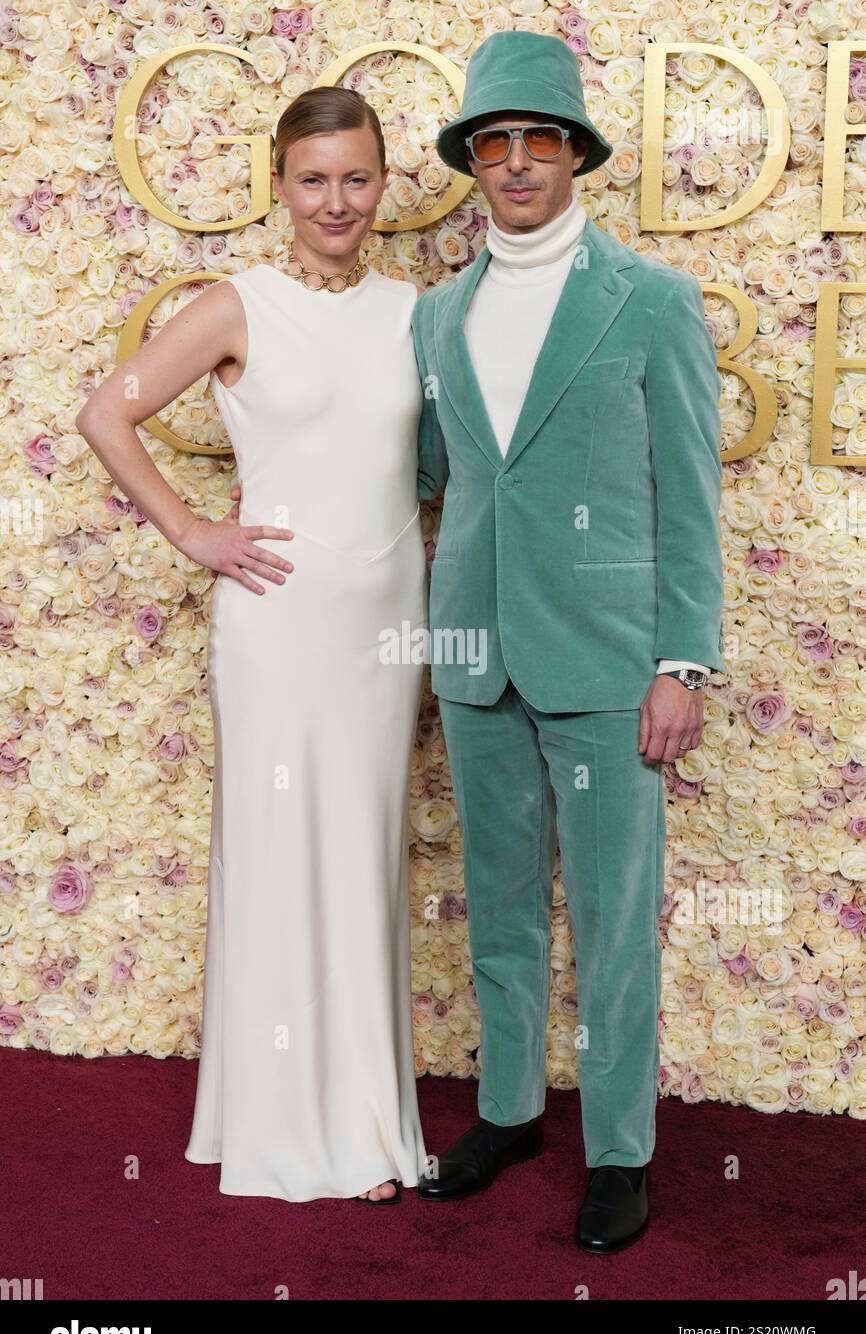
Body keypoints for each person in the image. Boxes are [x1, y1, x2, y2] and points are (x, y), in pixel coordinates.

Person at [75, 87, 431, 1204]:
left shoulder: (414, 309)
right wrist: (193, 531)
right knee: (281, 859)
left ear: (382, 182)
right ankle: (285, 1132)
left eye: (357, 177)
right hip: (276, 629)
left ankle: (366, 1119)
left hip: (387, 628)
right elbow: (105, 412)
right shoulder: (236, 306)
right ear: (279, 186)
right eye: (313, 179)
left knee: (362, 861)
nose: (337, 201)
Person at [410, 30, 725, 1251]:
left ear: (576, 153)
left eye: (542, 139)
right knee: (495, 903)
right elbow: (436, 471)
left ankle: (617, 1150)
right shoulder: (440, 314)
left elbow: (689, 494)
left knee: (608, 914)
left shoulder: (648, 301)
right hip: (475, 652)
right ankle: (504, 1110)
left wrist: (677, 659)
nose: (519, 162)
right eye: (497, 142)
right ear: (475, 162)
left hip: (604, 659)